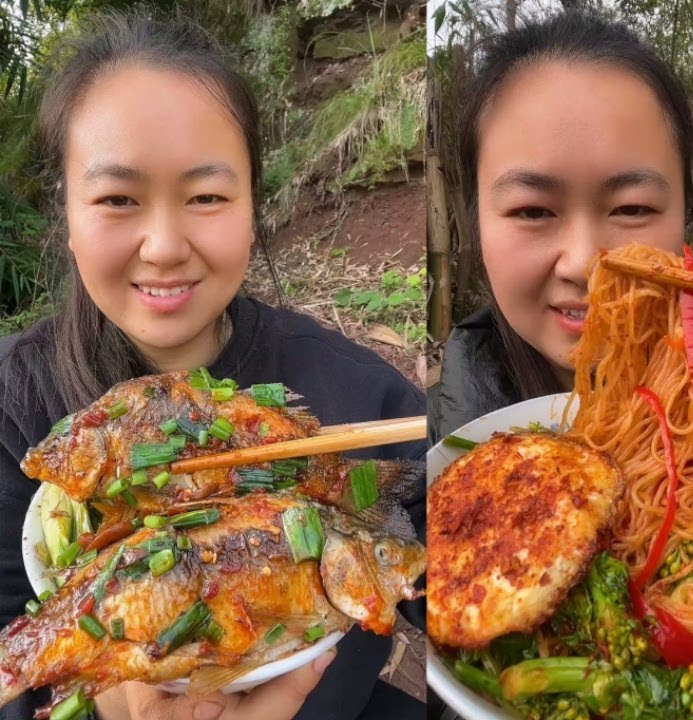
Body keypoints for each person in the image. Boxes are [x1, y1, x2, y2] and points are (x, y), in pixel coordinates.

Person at [425, 9, 693, 719]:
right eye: (533, 210)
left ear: (687, 207)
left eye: (630, 207)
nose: (590, 264)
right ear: (474, 220)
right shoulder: (440, 447)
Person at [0, 11, 426, 720]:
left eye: (205, 197)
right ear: (68, 216)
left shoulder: (366, 396)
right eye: (116, 199)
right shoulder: (14, 406)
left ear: (254, 205)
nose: (164, 244)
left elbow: (447, 579)